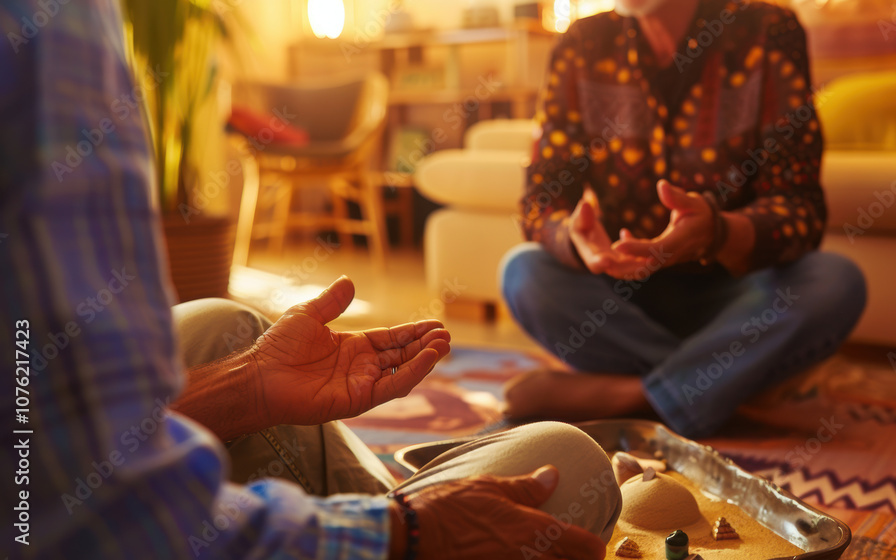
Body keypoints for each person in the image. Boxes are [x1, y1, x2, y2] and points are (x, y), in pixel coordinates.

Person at [0, 1, 620, 558]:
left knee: (226, 328)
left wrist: (251, 387)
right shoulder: (49, 33)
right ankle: (634, 396)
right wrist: (407, 533)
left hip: (707, 290)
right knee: (564, 458)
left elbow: (32, 445)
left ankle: (393, 492)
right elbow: (67, 512)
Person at [500, 0, 868, 438]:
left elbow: (801, 211)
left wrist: (716, 233)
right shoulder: (581, 44)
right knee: (524, 272)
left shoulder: (769, 29)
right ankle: (720, 385)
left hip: (738, 293)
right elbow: (540, 200)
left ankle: (626, 397)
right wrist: (573, 236)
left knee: (834, 282)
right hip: (621, 296)